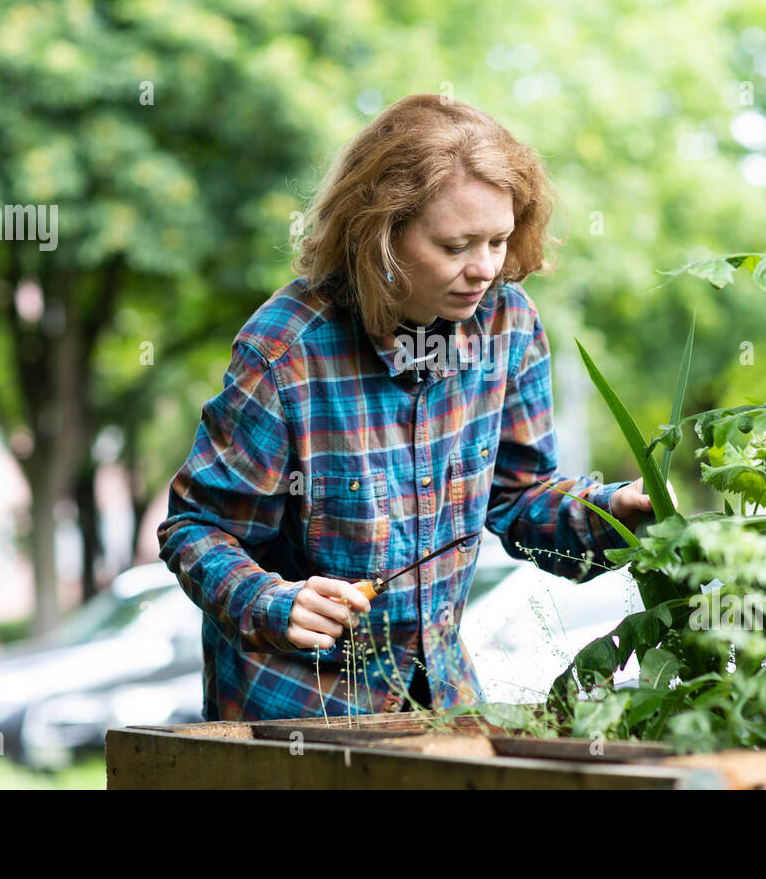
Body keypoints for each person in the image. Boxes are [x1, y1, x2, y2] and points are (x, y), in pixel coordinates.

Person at [157, 93, 655, 722]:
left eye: (498, 242)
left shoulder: (508, 325)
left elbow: (519, 496)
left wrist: (613, 514)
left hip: (440, 698)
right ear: (381, 237)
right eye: (455, 247)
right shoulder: (288, 350)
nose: (483, 269)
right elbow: (195, 529)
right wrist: (273, 601)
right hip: (294, 713)